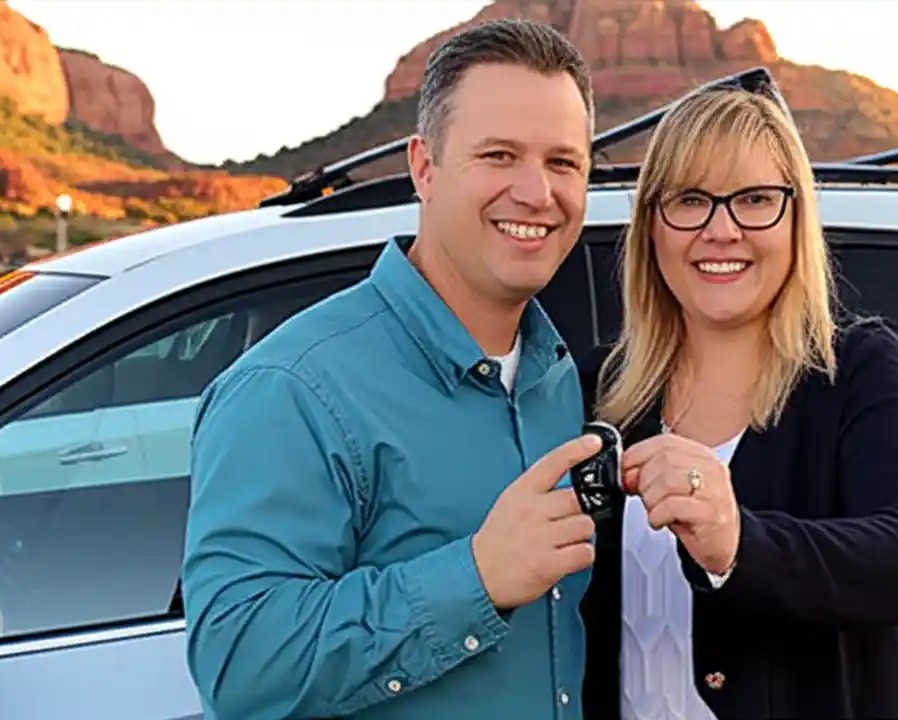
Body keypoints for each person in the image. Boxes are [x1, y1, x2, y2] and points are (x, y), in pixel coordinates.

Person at [181, 18, 603, 720]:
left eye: (563, 163)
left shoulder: (556, 379)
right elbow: (239, 666)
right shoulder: (295, 389)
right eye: (498, 155)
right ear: (424, 167)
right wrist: (476, 578)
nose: (537, 192)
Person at [577, 77, 898, 719]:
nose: (721, 230)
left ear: (796, 219)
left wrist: (739, 541)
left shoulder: (855, 371)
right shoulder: (600, 392)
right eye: (690, 200)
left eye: (755, 199)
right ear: (652, 226)